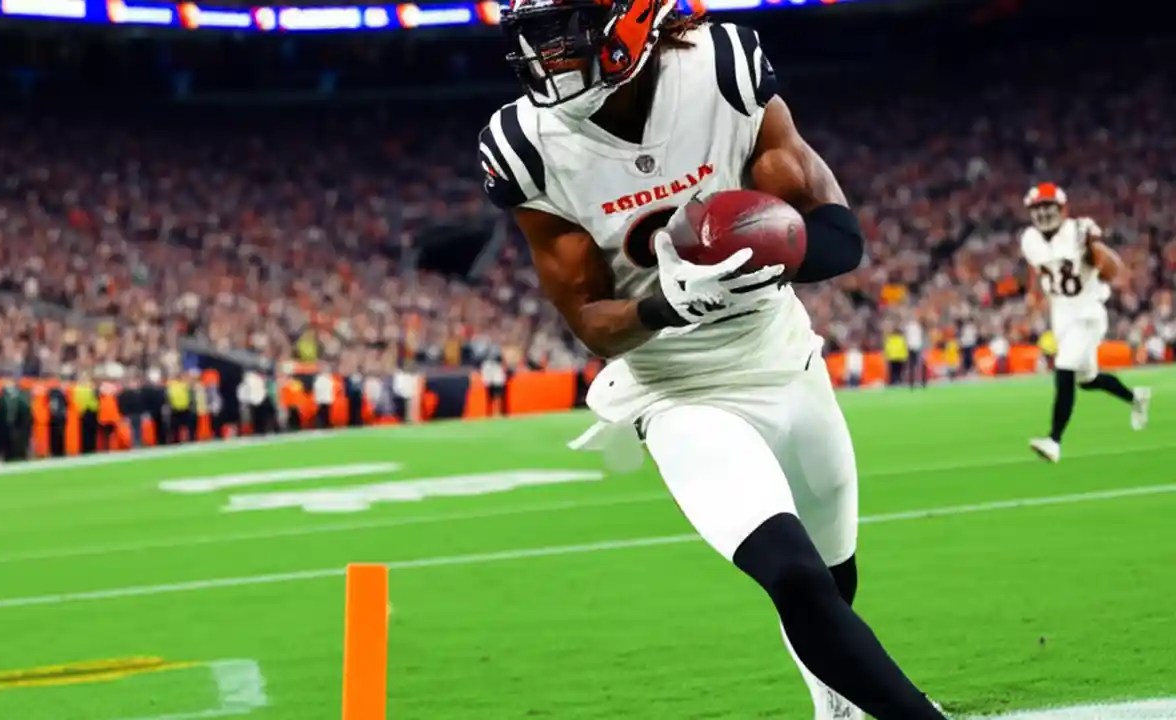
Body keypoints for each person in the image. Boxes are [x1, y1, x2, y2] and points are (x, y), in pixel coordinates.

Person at [480, 2, 945, 718]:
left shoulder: (721, 73)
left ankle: (835, 706)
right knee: (792, 576)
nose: (549, 54)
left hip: (783, 357)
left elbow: (838, 234)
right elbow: (590, 322)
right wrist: (668, 303)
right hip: (677, 389)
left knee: (833, 574)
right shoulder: (527, 142)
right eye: (536, 35)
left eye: (562, 29)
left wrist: (770, 259)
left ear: (627, 17)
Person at [1020, 182, 1151, 463]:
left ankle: (1054, 440)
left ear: (1062, 208)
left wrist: (1092, 248)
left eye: (1048, 207)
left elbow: (1111, 270)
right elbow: (1038, 269)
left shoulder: (1078, 231)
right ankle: (1136, 397)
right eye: (1037, 208)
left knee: (1064, 367)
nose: (1043, 213)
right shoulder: (1030, 238)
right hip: (1061, 313)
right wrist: (1034, 297)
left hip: (1087, 312)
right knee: (1087, 380)